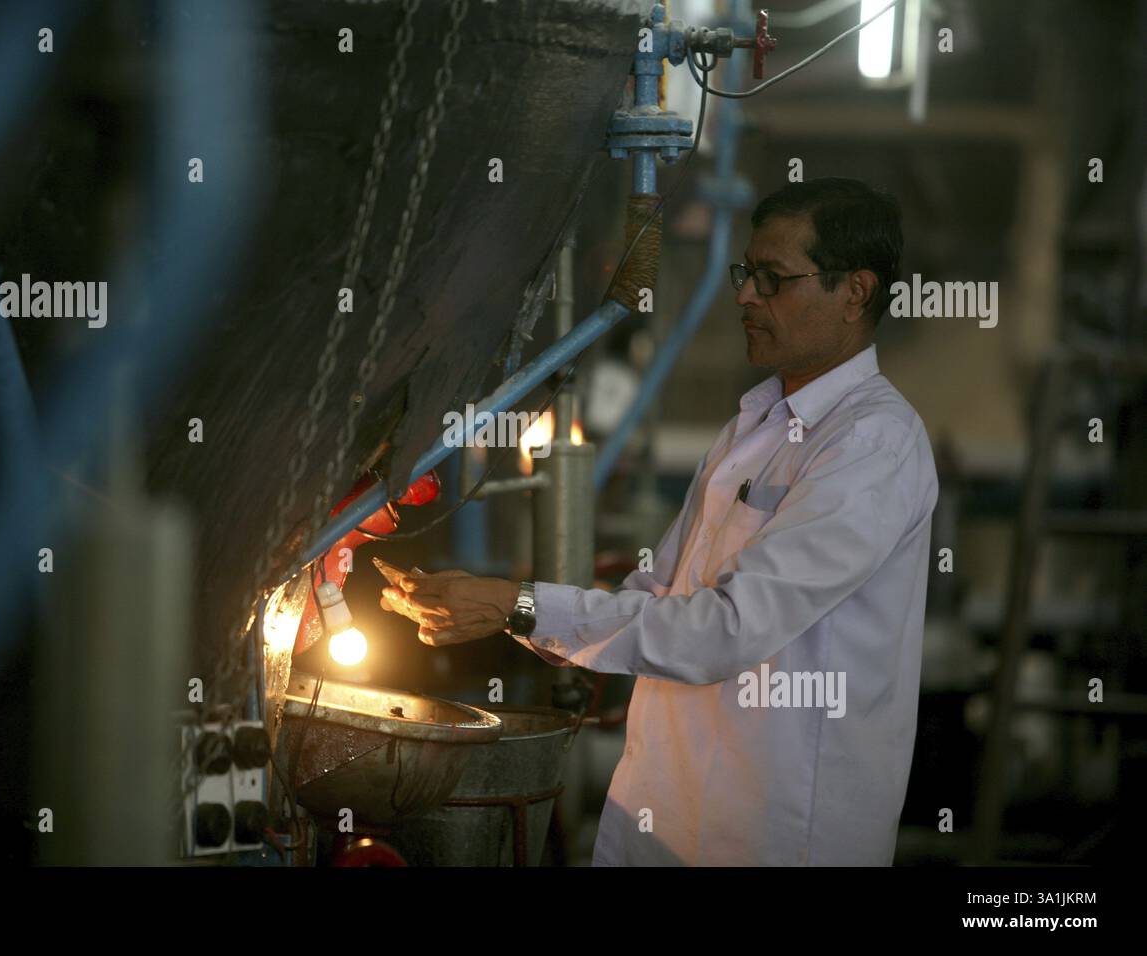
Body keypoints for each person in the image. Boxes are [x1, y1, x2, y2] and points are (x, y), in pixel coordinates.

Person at [380, 177, 939, 866]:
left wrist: (515, 606)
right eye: (745, 273)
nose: (745, 295)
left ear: (855, 292)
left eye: (773, 278)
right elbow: (654, 604)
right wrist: (512, 612)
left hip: (782, 832)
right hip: (671, 808)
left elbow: (723, 632)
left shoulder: (871, 444)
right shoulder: (755, 427)